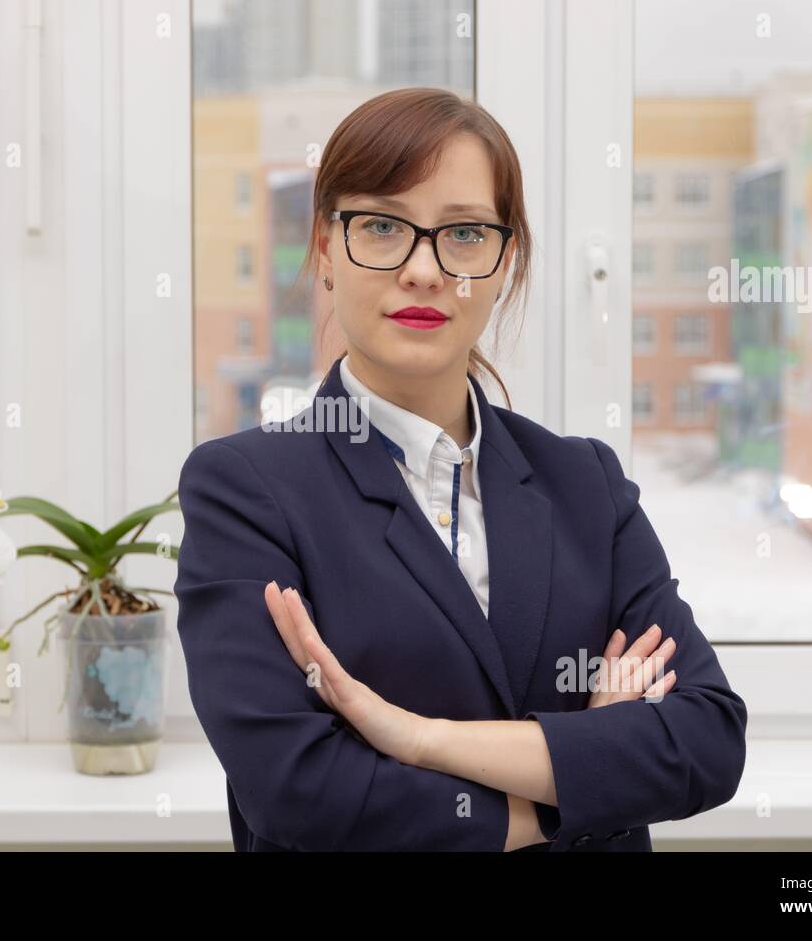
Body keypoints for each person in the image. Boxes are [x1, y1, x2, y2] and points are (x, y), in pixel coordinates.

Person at [174, 87, 747, 852]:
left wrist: (416, 737)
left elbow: (706, 740)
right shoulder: (246, 490)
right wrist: (573, 786)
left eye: (465, 234)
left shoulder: (585, 484)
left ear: (505, 260)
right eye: (381, 226)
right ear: (324, 248)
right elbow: (302, 792)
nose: (422, 270)